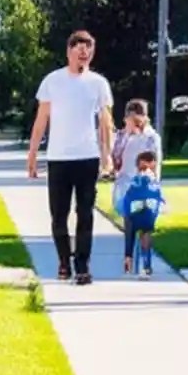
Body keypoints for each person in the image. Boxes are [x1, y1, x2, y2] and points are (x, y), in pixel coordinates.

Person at [27, 30, 114, 286]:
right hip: (59, 158)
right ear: (69, 51)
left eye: (88, 49)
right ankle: (64, 260)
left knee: (85, 213)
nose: (83, 53)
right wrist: (32, 154)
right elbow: (41, 119)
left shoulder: (98, 84)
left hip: (87, 157)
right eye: (79, 49)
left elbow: (105, 122)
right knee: (59, 215)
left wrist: (107, 156)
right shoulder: (52, 82)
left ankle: (82, 265)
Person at [112, 99, 162, 275]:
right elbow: (115, 160)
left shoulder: (151, 137)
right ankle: (129, 259)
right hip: (127, 186)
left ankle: (145, 261)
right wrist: (126, 135)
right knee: (130, 224)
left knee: (146, 226)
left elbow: (154, 163)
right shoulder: (121, 136)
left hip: (146, 186)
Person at [120, 150, 166, 279]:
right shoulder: (153, 182)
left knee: (130, 236)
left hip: (131, 213)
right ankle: (146, 265)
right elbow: (159, 198)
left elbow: (124, 197)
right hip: (147, 212)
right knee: (146, 236)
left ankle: (128, 261)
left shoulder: (133, 180)